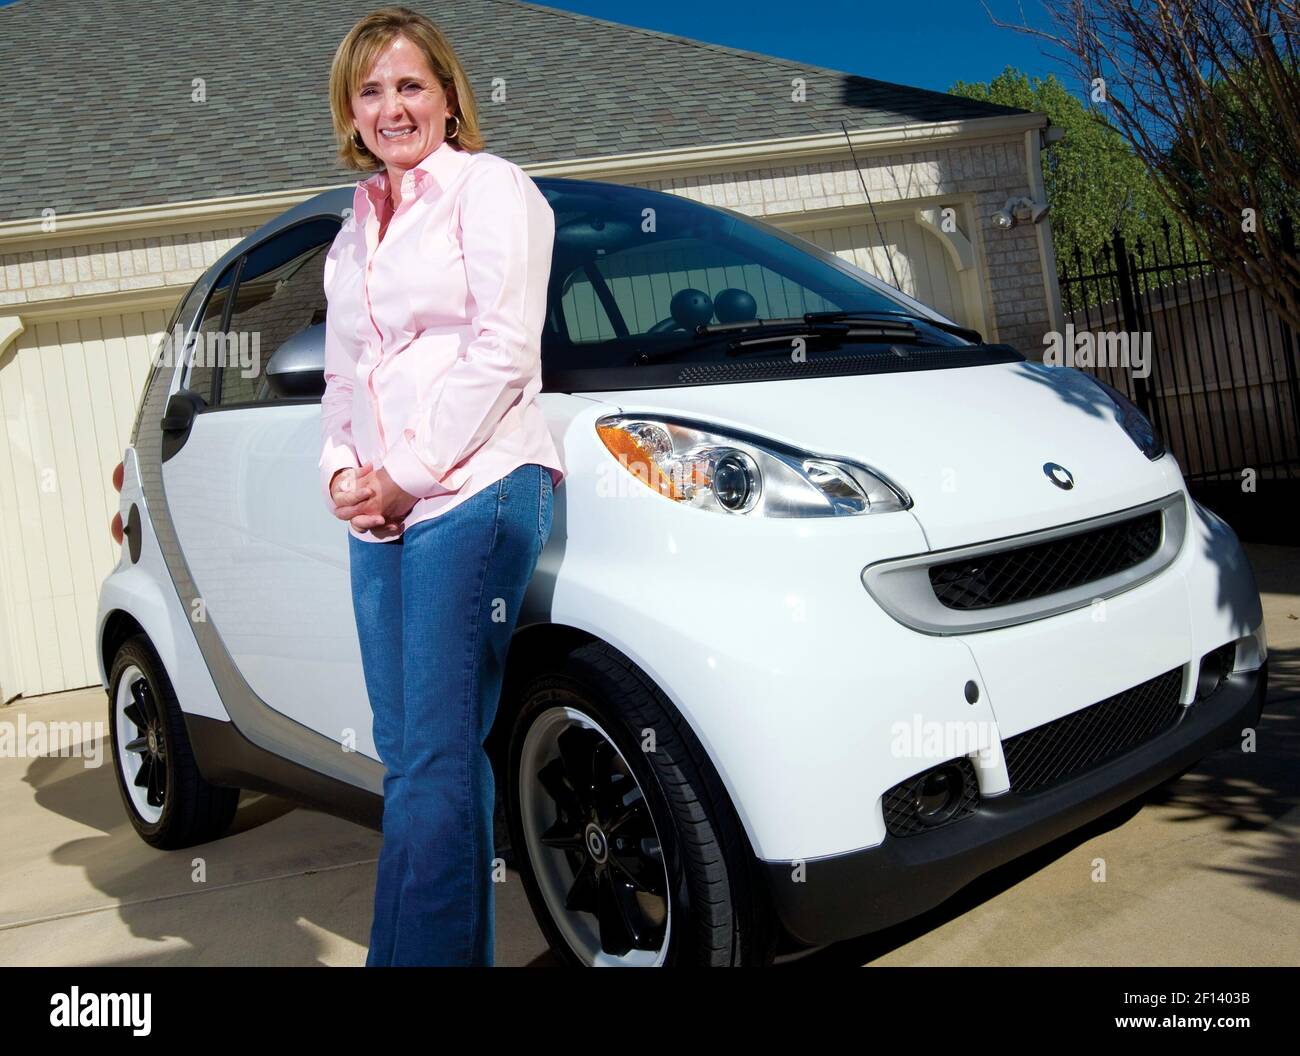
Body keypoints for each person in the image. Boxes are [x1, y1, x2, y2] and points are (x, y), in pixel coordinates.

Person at [319, 5, 565, 967]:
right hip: (382, 512)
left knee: (431, 756)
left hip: (477, 488)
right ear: (350, 111)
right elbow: (344, 376)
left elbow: (505, 350)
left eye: (411, 84)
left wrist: (407, 476)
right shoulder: (353, 232)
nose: (393, 106)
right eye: (371, 90)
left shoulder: (491, 189)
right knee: (416, 762)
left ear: (451, 96)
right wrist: (344, 471)